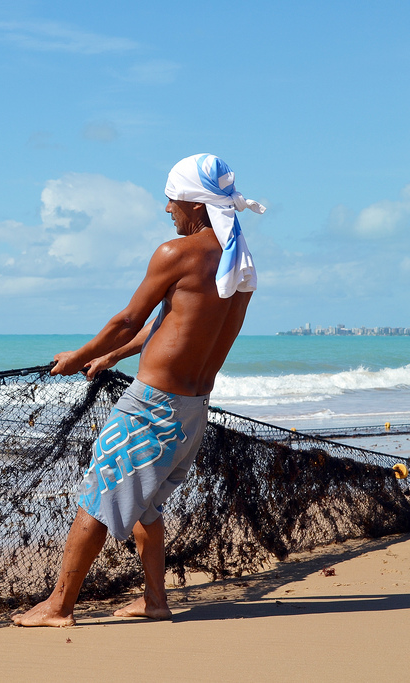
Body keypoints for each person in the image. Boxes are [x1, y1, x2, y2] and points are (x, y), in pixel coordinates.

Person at [13, 153, 264, 627]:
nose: (167, 210)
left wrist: (77, 355)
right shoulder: (239, 264)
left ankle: (58, 606)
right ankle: (155, 600)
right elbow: (172, 327)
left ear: (194, 204)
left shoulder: (177, 253)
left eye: (171, 202)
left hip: (151, 407)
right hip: (191, 410)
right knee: (147, 504)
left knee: (97, 498)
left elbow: (129, 318)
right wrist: (110, 357)